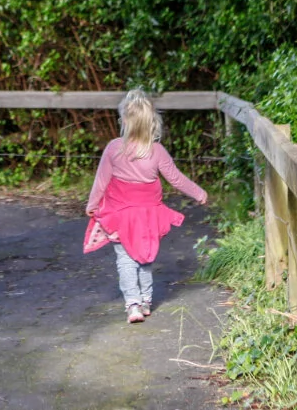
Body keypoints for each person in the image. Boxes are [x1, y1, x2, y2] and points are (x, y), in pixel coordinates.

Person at [84, 88, 207, 323]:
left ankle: (133, 305)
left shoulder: (113, 148)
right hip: (148, 216)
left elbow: (101, 180)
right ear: (152, 123)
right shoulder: (157, 151)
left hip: (119, 214)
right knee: (145, 258)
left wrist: (92, 204)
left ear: (125, 121)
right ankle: (146, 300)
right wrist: (198, 193)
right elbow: (176, 179)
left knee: (125, 259)